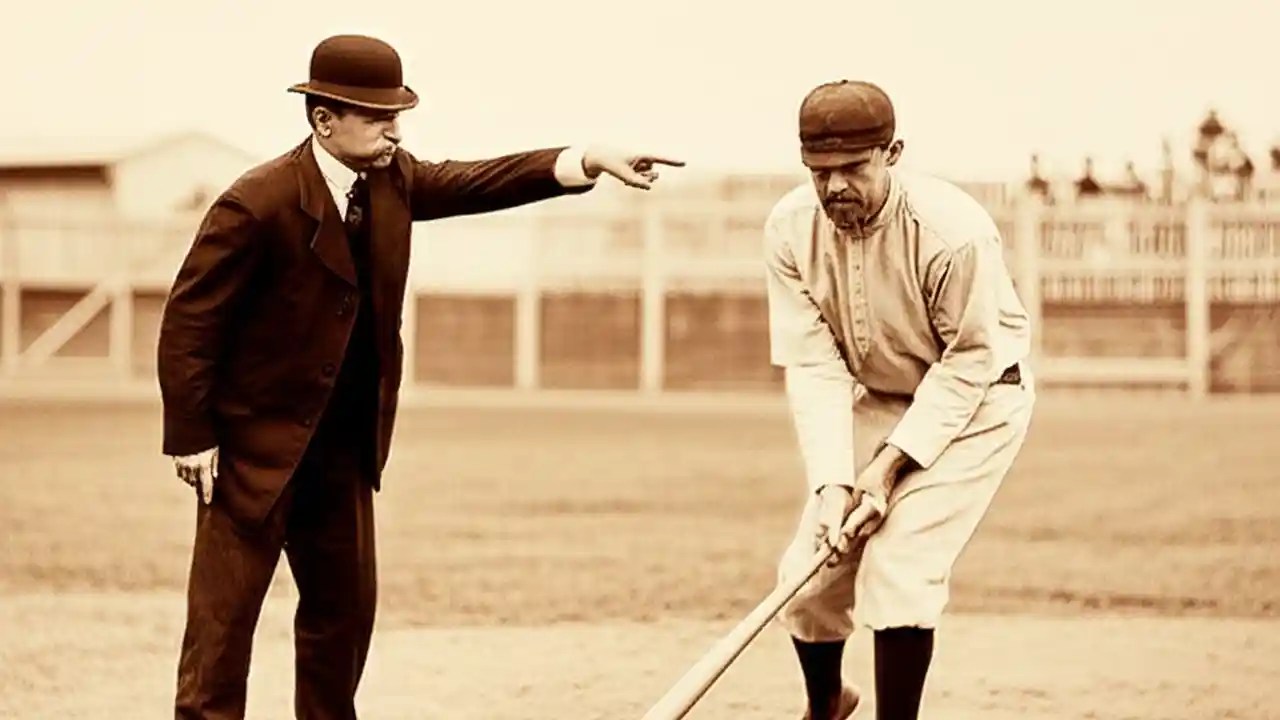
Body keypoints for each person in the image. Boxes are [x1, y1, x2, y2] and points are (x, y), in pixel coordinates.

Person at [157, 33, 682, 720]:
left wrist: (584, 160)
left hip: (343, 456)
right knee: (219, 646)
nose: (395, 132)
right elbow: (190, 321)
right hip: (250, 459)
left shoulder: (394, 181)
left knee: (339, 633)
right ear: (324, 120)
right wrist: (192, 436)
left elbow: (479, 182)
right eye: (379, 117)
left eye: (398, 116)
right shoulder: (254, 202)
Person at [762, 80, 1036, 720]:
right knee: (806, 575)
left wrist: (885, 471)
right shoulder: (788, 229)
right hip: (883, 397)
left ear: (893, 153)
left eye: (853, 168)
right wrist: (834, 485)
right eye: (819, 172)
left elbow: (970, 360)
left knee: (901, 564)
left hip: (979, 404)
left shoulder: (954, 232)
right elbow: (815, 363)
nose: (835, 188)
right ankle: (828, 704)